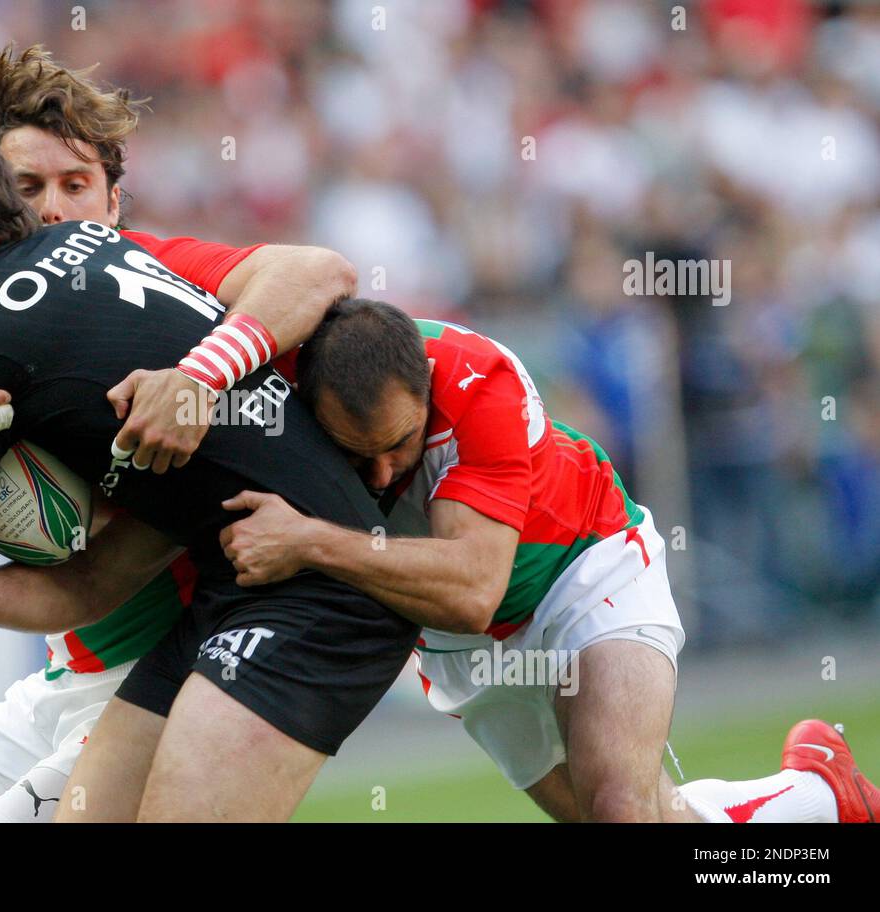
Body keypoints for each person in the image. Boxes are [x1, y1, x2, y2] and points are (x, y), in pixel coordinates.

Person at [0, 76, 421, 821]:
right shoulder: (73, 259)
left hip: (303, 597)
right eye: (28, 184)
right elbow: (85, 573)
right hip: (201, 604)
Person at [212, 298, 879, 823]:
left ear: (427, 391)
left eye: (401, 443)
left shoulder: (482, 381)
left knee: (619, 807)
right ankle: (815, 795)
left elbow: (473, 588)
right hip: (463, 648)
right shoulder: (283, 388)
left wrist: (308, 540)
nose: (383, 472)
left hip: (586, 570)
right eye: (359, 454)